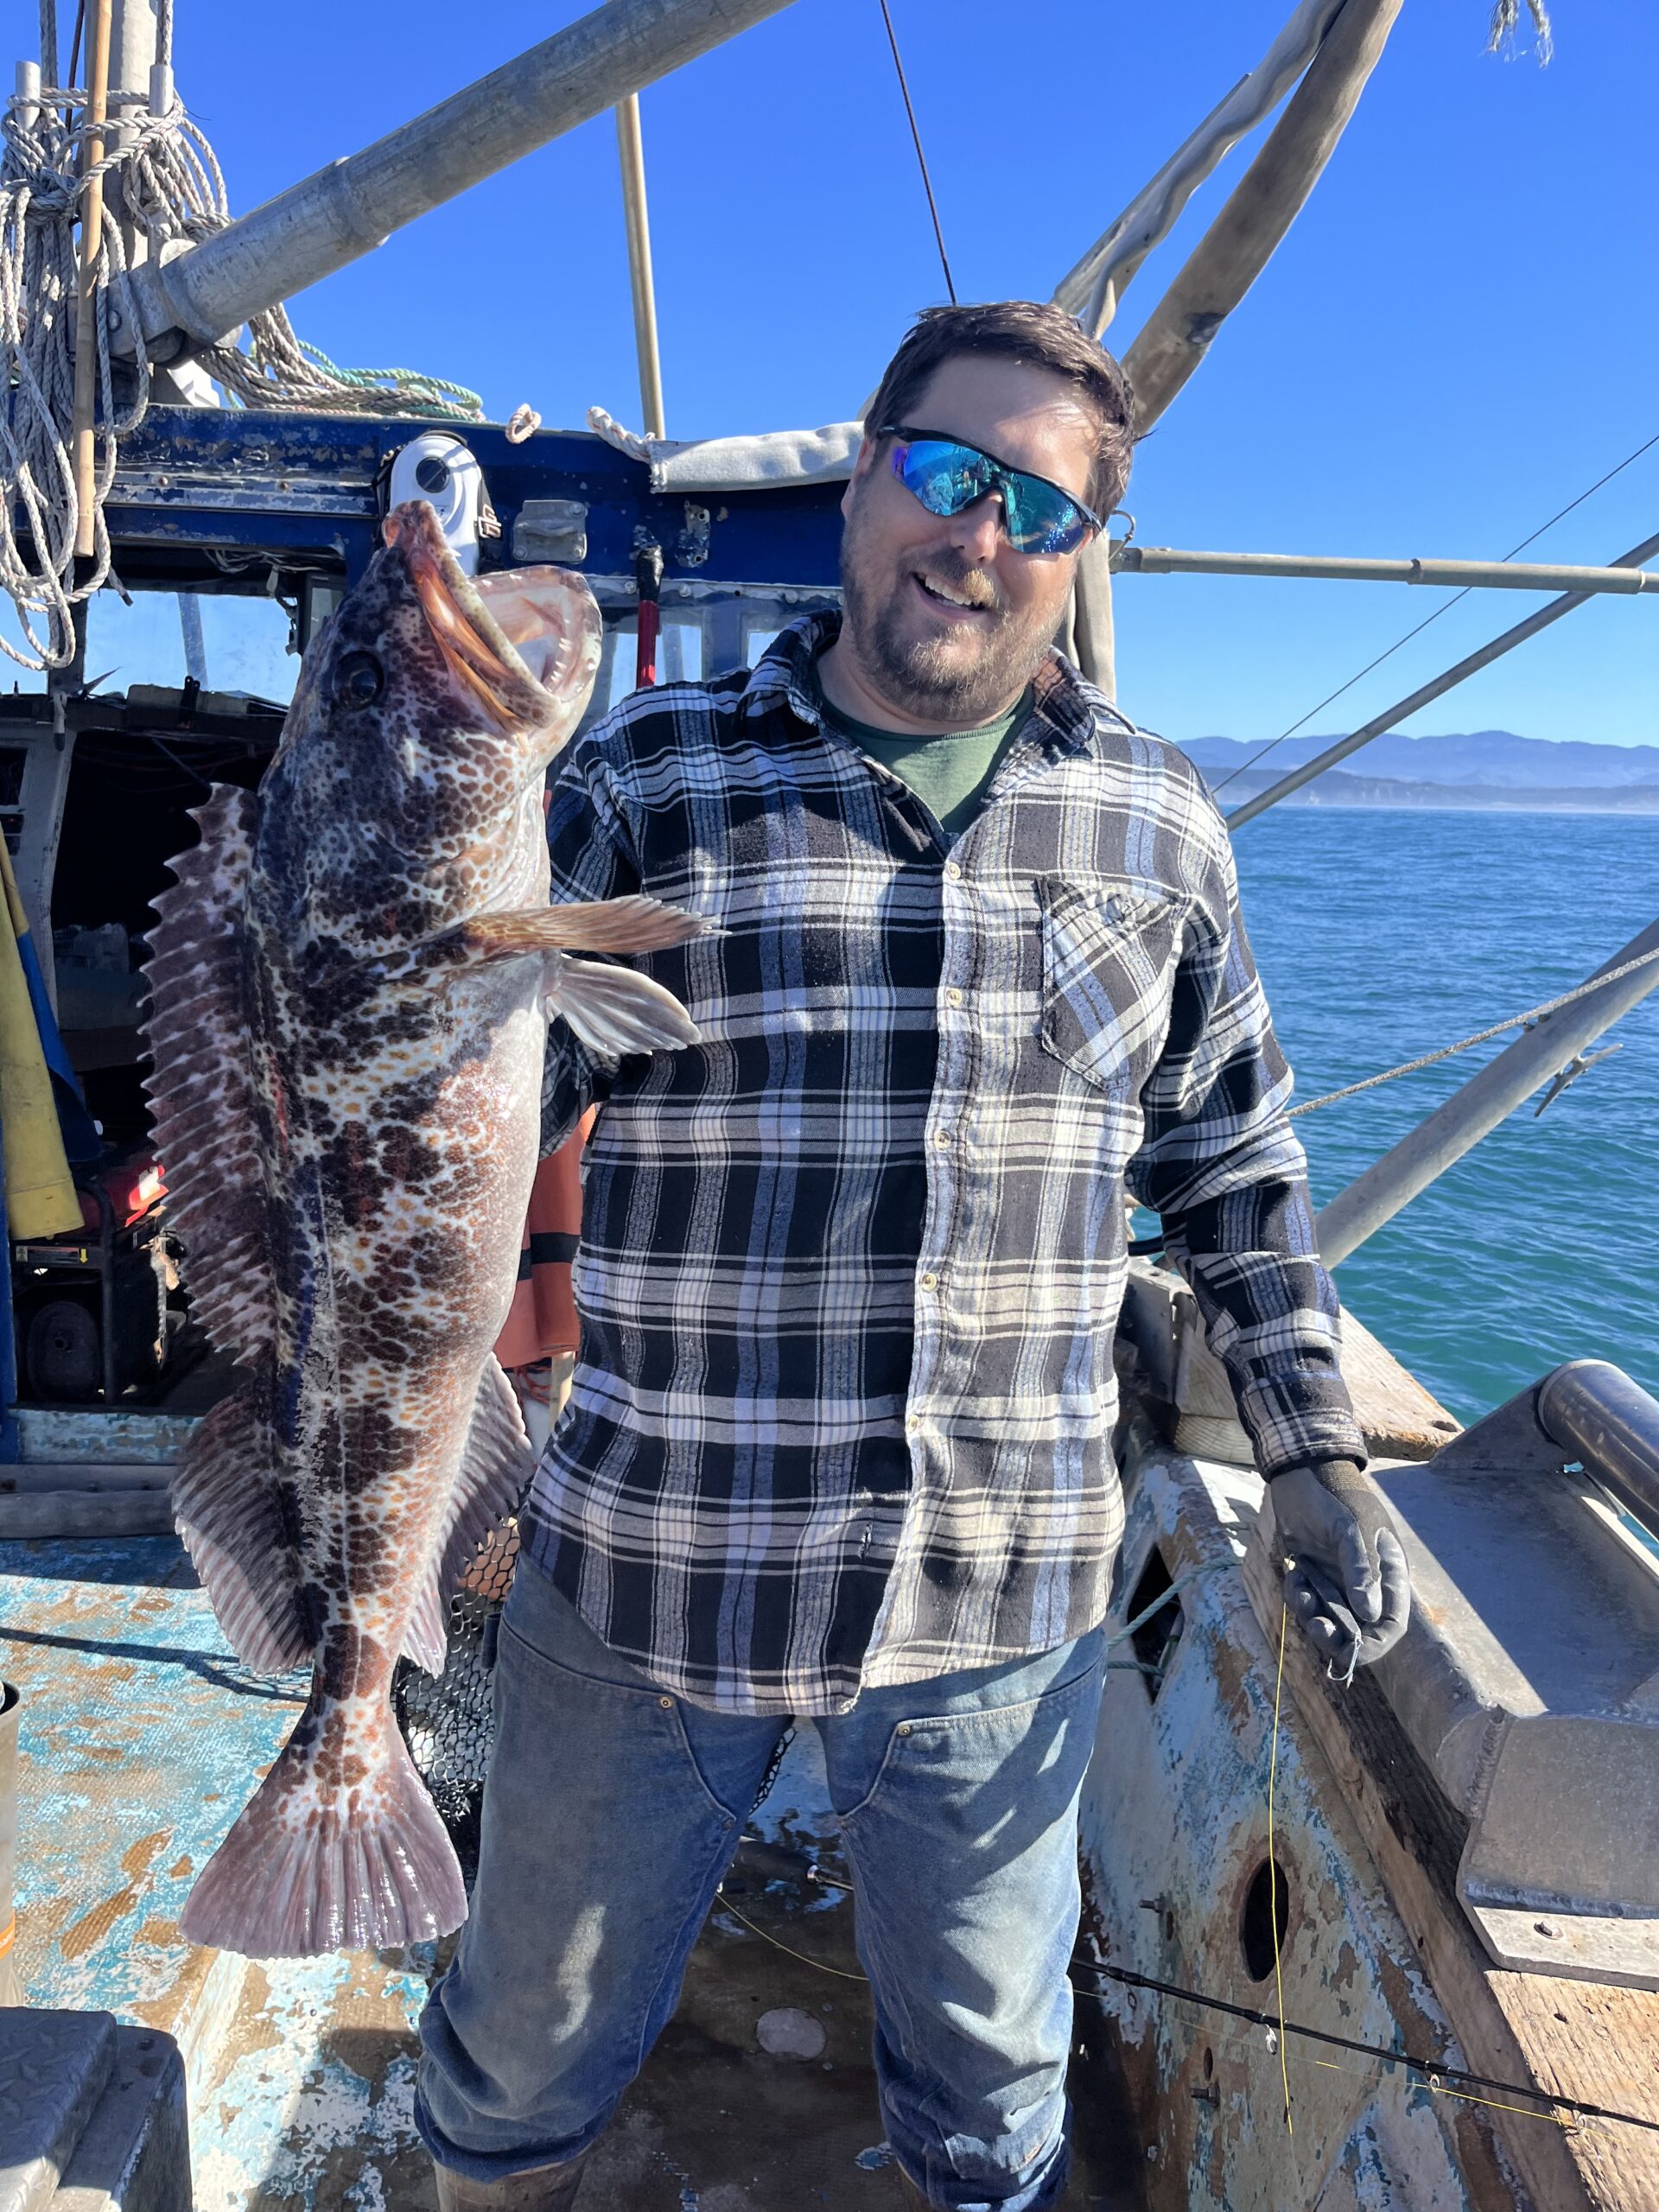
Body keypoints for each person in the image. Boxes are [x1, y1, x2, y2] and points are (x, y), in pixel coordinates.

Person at [416, 299, 1410, 2212]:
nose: (980, 532)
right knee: (518, 2049)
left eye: (1038, 505)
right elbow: (455, 1104)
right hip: (645, 1581)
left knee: (988, 2096)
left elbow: (1239, 1170)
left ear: (1076, 552)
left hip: (992, 1611)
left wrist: (1318, 1456)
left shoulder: (1157, 825)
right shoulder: (640, 784)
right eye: (950, 473)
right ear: (865, 477)